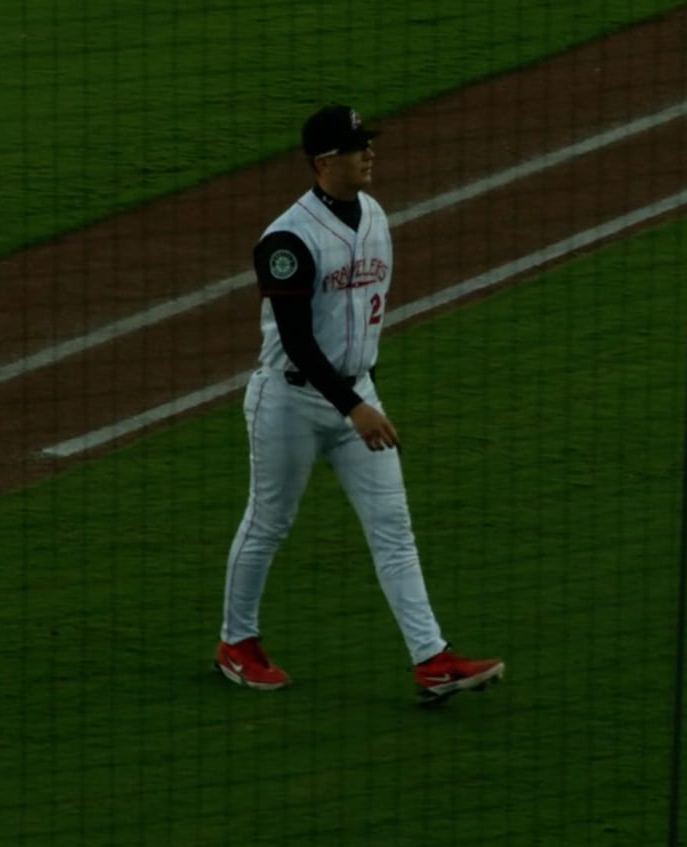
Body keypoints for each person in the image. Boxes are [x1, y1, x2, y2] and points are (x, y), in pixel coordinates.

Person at [214, 105, 503, 705]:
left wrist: (362, 390)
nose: (368, 152)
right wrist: (355, 407)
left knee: (394, 529)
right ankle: (235, 643)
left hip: (356, 397)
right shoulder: (286, 240)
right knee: (270, 522)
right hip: (290, 401)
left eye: (366, 143)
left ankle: (432, 660)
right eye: (355, 147)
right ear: (324, 163)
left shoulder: (373, 215)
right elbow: (297, 340)